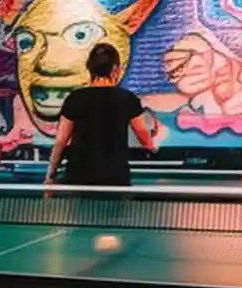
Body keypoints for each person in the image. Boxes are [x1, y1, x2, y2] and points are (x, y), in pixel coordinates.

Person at [44, 43, 157, 186]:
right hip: (115, 178)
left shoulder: (75, 98)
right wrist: (153, 145)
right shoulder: (127, 99)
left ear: (89, 68)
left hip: (78, 177)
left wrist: (50, 174)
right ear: (115, 69)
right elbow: (145, 139)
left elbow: (61, 141)